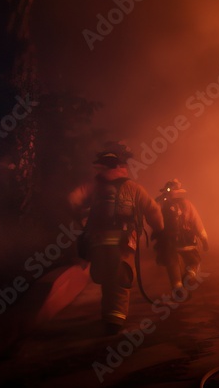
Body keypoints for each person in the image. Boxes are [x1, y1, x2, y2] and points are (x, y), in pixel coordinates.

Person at [70, 143, 164, 335]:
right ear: (122, 166)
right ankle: (115, 318)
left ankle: (108, 315)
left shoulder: (94, 186)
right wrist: (159, 230)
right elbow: (153, 210)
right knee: (120, 278)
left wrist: (80, 221)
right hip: (124, 242)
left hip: (97, 241)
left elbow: (73, 200)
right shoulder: (133, 188)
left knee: (106, 278)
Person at [156, 179, 209, 291]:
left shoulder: (162, 205)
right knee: (194, 260)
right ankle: (190, 274)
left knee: (172, 264)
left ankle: (177, 286)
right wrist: (204, 240)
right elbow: (197, 222)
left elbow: (154, 216)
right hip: (187, 241)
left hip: (169, 242)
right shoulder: (187, 204)